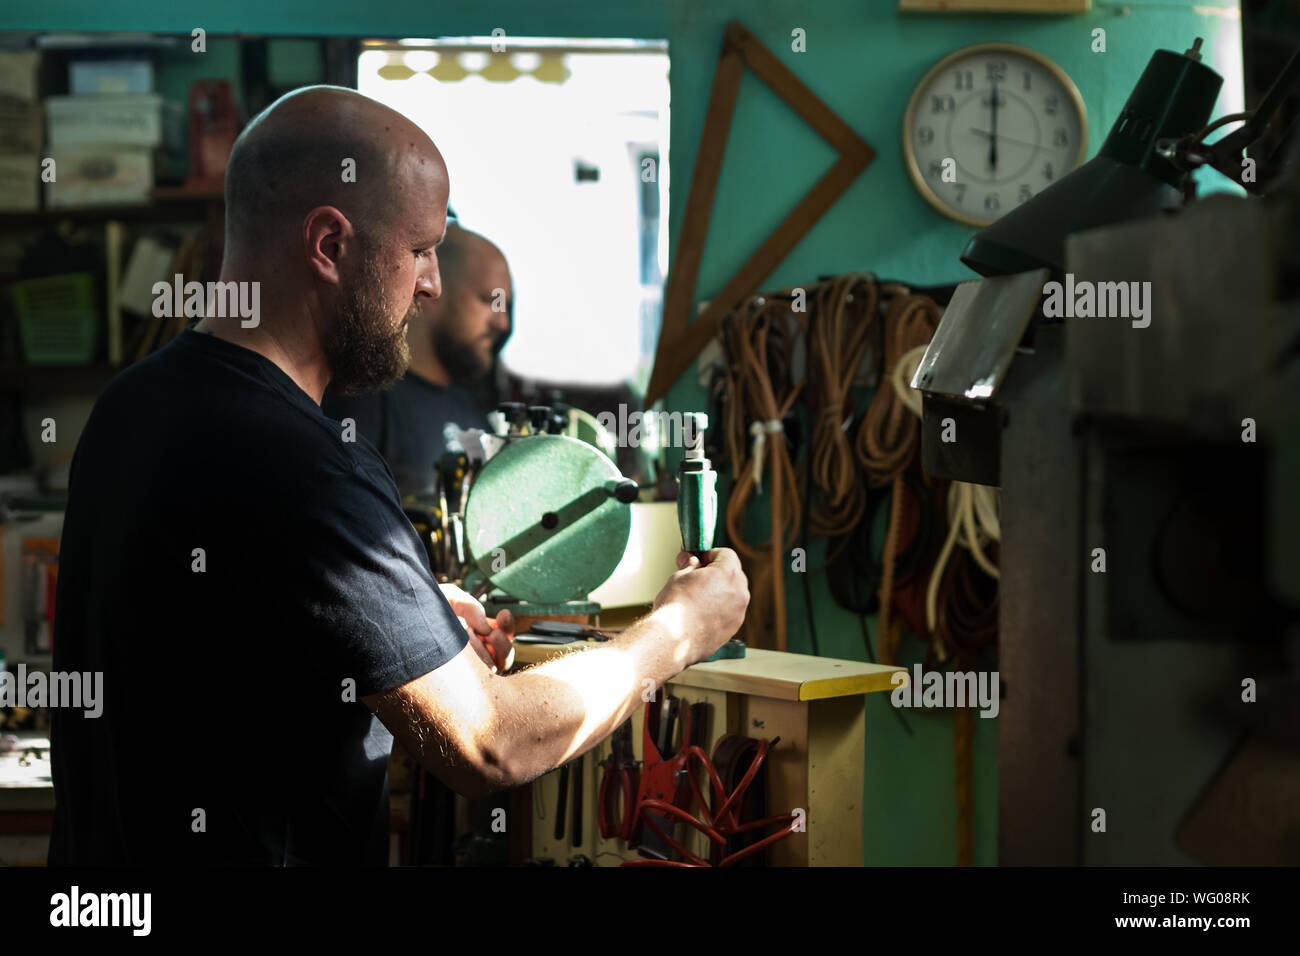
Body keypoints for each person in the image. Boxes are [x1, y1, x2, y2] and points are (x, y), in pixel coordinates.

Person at [48, 85, 748, 866]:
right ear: (330, 245)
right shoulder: (310, 465)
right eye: (420, 249)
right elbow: (492, 747)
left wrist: (398, 623)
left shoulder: (130, 407)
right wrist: (677, 631)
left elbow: (218, 641)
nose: (434, 285)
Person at [322, 220, 512, 497]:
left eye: (505, 304)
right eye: (488, 300)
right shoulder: (364, 401)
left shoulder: (472, 413)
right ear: (433, 290)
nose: (502, 323)